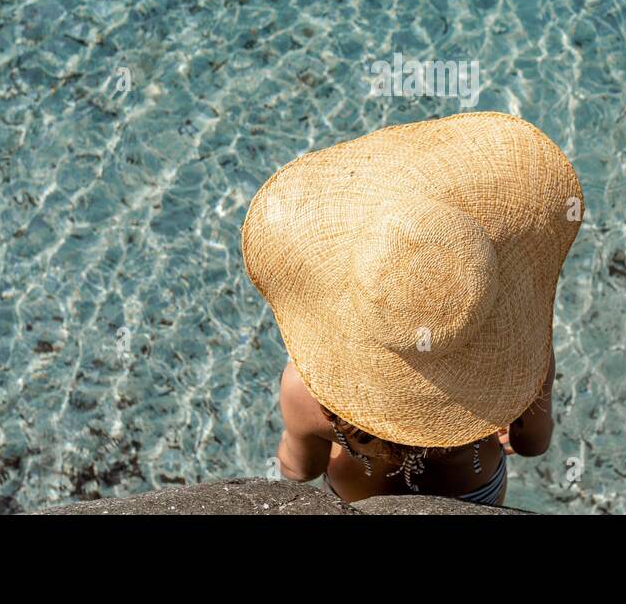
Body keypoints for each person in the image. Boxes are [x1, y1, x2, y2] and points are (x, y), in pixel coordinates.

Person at [241, 111, 583, 506]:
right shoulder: (526, 355)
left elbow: (299, 470)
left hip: (358, 497)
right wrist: (495, 411)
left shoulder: (303, 389)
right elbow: (532, 444)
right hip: (476, 495)